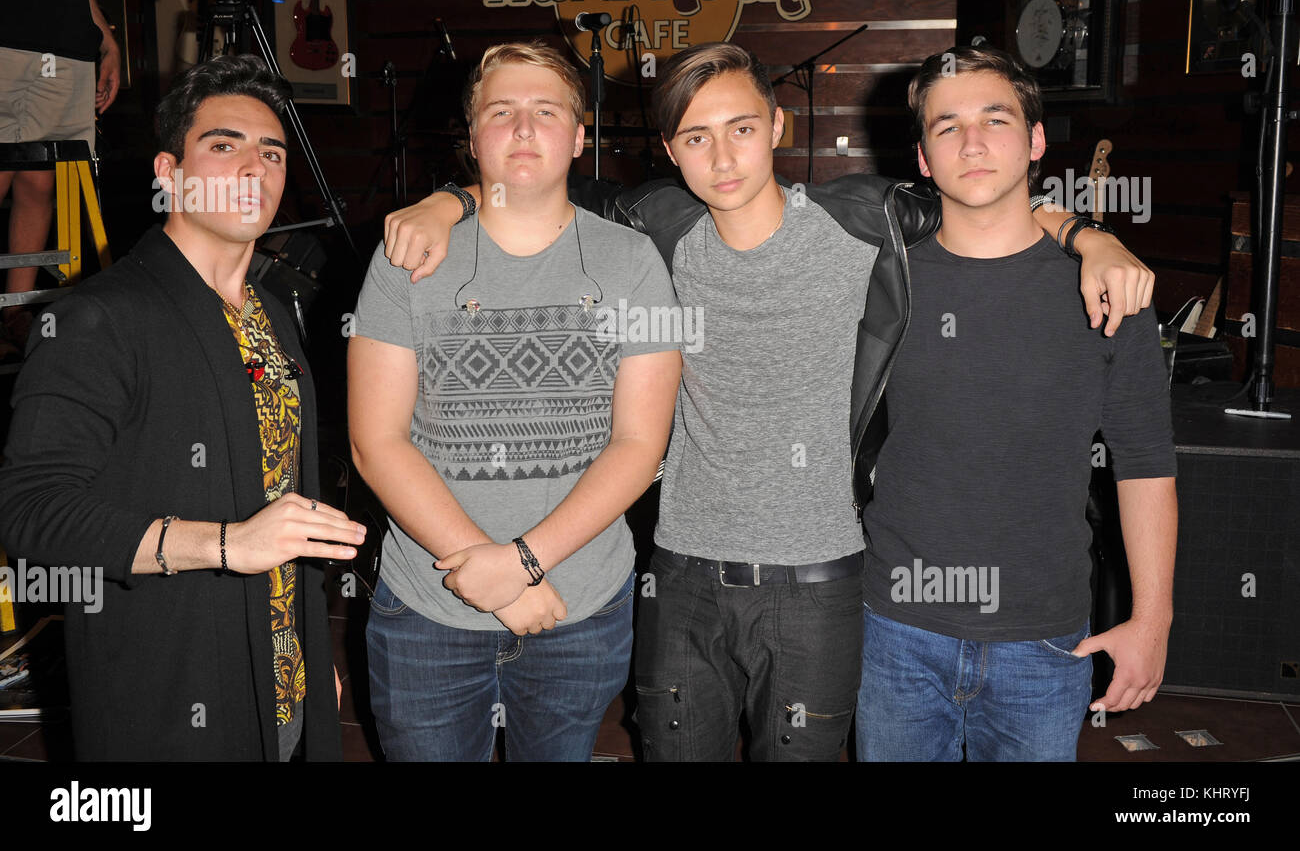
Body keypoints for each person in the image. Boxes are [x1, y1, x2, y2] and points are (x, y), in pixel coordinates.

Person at [379, 41, 1153, 761]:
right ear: (670, 152)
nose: (721, 157)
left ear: (778, 125)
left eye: (741, 128)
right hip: (681, 576)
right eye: (693, 137)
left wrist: (1088, 233)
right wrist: (448, 201)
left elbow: (986, 204)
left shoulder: (868, 222)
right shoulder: (656, 230)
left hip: (823, 582)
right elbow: (536, 177)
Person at [0, 54, 364, 760]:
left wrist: (307, 659)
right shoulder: (100, 319)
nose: (253, 168)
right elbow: (30, 512)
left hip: (281, 677)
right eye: (223, 145)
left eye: (271, 152)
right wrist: (225, 544)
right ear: (169, 173)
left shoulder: (275, 314)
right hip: (167, 693)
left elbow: (284, 504)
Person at [348, 41, 681, 762]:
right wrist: (494, 576)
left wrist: (524, 562)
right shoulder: (407, 256)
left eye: (546, 111)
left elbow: (639, 445)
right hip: (426, 611)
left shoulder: (633, 261)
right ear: (471, 140)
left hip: (581, 607)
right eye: (501, 112)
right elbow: (376, 443)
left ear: (580, 134)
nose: (524, 129)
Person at [854, 45, 1177, 761]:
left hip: (1046, 638)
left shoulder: (1108, 290)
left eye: (996, 120)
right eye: (947, 126)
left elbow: (1145, 464)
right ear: (923, 157)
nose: (972, 142)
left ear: (1034, 141)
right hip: (896, 629)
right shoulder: (877, 285)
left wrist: (1152, 620)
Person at [1, 0, 122, 357]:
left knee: (39, 185)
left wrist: (105, 37)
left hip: (66, 47)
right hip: (5, 40)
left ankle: (16, 308)